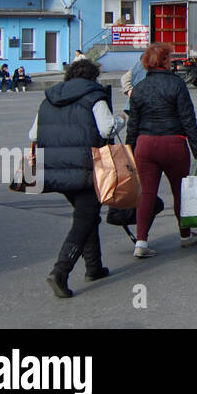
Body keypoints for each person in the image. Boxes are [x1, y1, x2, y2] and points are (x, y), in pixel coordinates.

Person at [32, 59, 115, 298]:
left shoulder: (48, 99)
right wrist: (120, 118)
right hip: (87, 168)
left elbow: (32, 134)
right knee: (84, 219)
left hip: (55, 170)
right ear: (92, 77)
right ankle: (60, 271)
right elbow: (107, 129)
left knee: (86, 216)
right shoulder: (94, 97)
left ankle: (94, 267)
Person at [126, 42, 197, 258]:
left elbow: (133, 123)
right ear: (164, 61)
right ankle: (185, 235)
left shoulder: (139, 88)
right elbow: (188, 118)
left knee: (146, 193)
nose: (172, 62)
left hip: (145, 144)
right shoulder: (177, 85)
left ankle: (141, 241)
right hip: (173, 143)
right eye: (170, 59)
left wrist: (129, 149)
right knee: (180, 192)